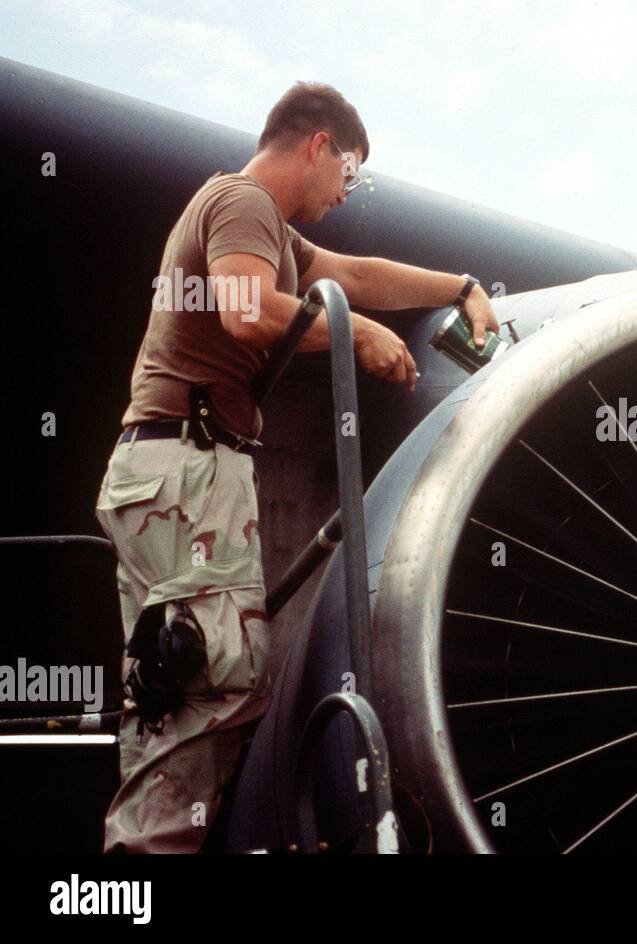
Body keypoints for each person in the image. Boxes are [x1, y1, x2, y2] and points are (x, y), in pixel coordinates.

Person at [94, 81, 498, 853]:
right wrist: (358, 337)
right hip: (187, 468)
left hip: (176, 471)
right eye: (350, 171)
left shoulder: (270, 228)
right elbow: (248, 309)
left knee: (179, 683)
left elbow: (354, 275)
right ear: (317, 144)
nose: (348, 192)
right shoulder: (243, 202)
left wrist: (461, 286)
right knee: (209, 686)